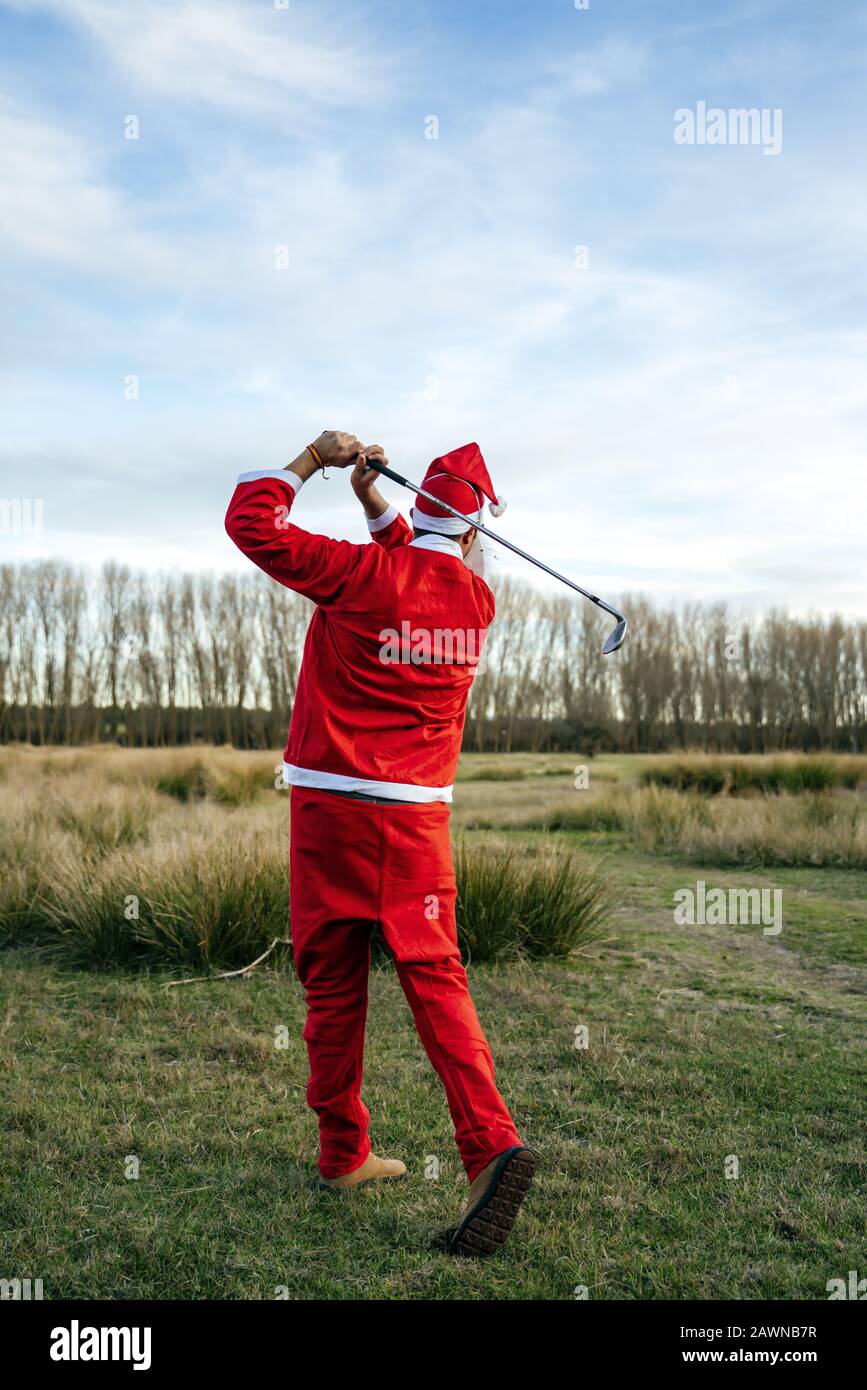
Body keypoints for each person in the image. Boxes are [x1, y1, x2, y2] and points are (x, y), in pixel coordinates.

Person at [225, 430, 535, 1256]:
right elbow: (421, 571)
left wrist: (309, 463)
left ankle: (341, 1152)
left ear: (426, 514)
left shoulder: (362, 577)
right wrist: (373, 505)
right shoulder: (474, 605)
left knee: (329, 980)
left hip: (327, 814)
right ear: (473, 535)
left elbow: (252, 524)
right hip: (414, 825)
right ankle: (488, 1143)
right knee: (435, 977)